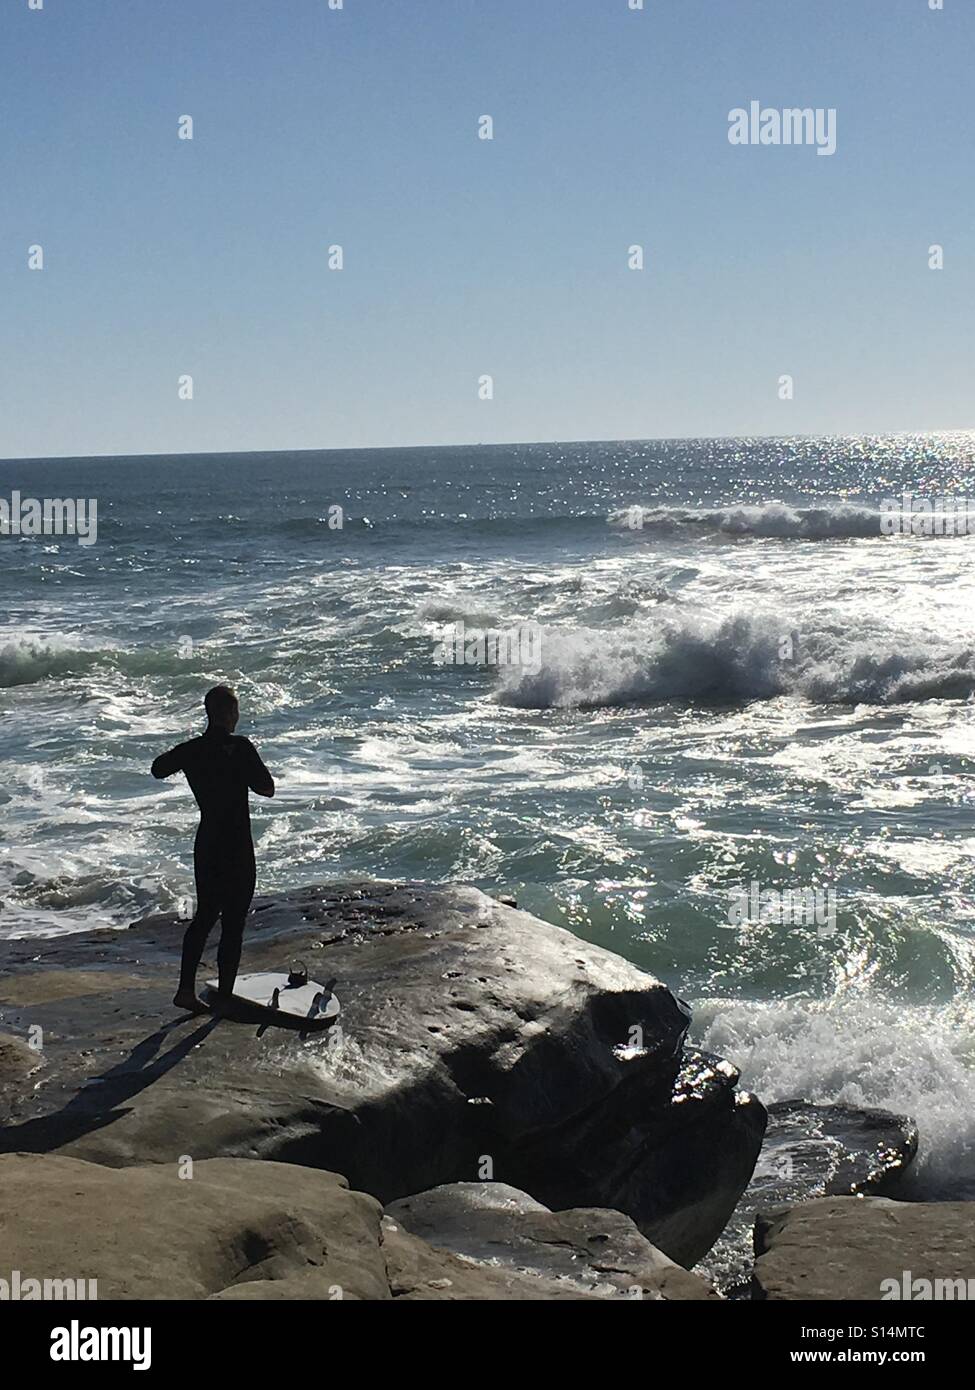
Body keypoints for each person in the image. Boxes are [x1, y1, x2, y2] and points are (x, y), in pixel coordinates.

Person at [151, 685, 275, 1014]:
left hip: (207, 841)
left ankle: (185, 991)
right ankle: (225, 996)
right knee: (234, 921)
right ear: (231, 714)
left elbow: (158, 768)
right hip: (236, 843)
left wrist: (193, 755)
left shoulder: (193, 750)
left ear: (208, 714)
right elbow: (268, 788)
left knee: (205, 915)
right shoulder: (241, 746)